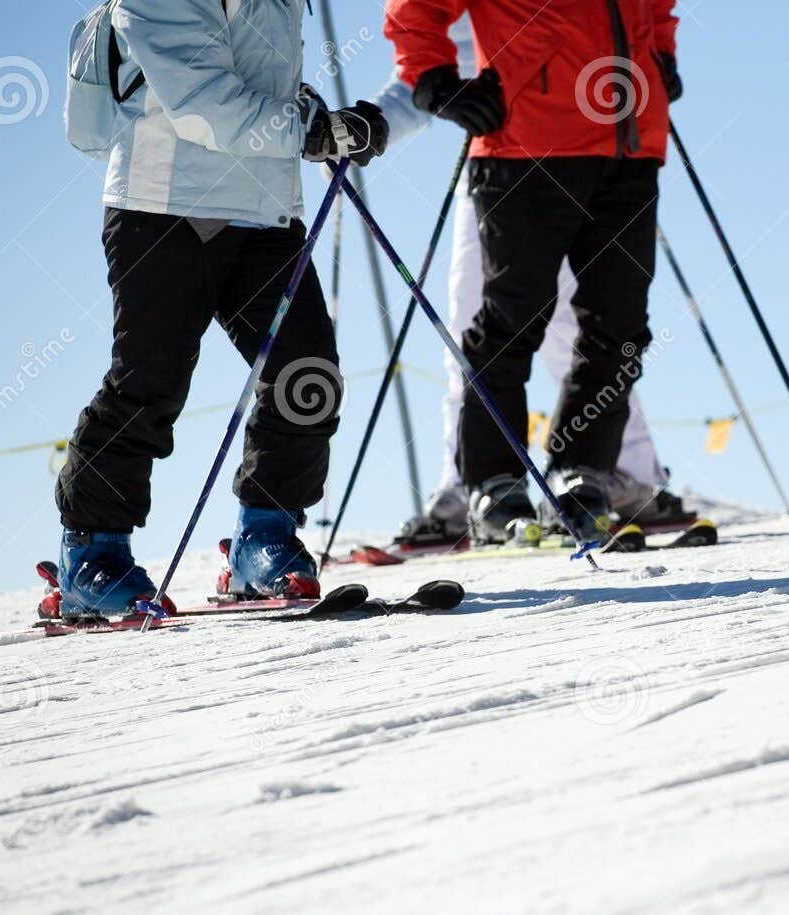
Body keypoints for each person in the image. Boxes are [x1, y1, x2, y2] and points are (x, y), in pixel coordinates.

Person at [52, 0, 388, 616]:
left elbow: (259, 81)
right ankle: (93, 553)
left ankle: (265, 535)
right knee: (149, 381)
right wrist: (308, 130)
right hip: (163, 206)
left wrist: (325, 118)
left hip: (262, 209)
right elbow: (200, 98)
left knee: (306, 374)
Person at [372, 13, 684, 548]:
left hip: (628, 144)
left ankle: (582, 473)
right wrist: (433, 81)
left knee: (622, 327)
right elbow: (415, 8)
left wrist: (660, 53)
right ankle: (494, 484)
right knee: (512, 321)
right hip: (525, 142)